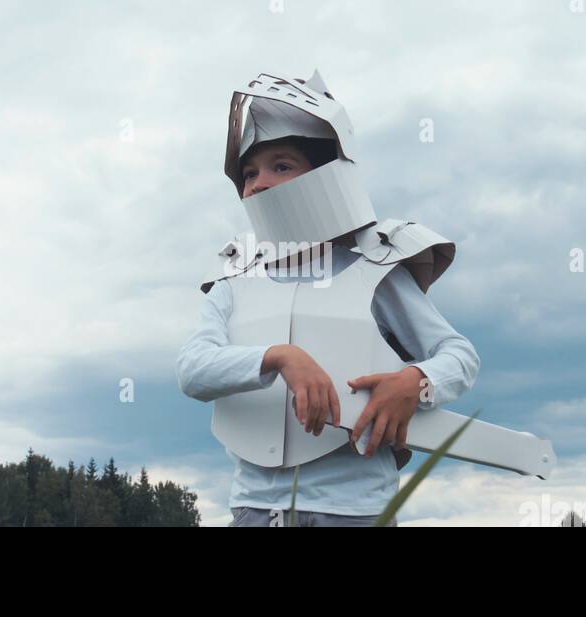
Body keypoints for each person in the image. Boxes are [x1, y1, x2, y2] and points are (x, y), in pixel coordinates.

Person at [176, 71, 480, 527]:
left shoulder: (376, 268)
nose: (258, 184)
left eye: (281, 166)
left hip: (354, 511)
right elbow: (193, 369)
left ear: (324, 173)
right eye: (249, 173)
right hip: (255, 510)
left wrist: (414, 381)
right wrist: (279, 357)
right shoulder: (233, 277)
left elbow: (459, 355)